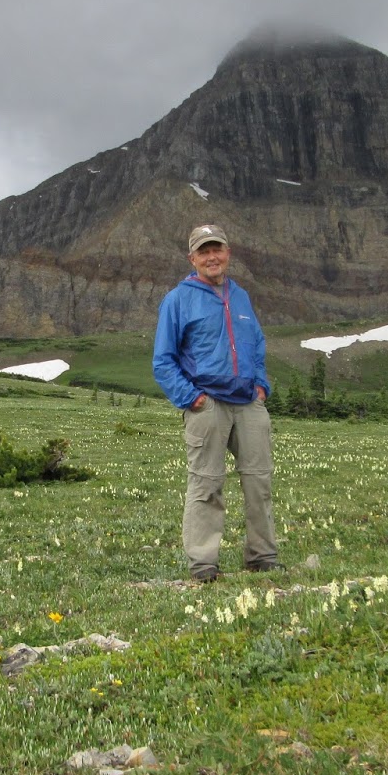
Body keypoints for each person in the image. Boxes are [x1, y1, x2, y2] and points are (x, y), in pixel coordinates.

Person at [152, 224, 282, 582]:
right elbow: (162, 360)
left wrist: (262, 385)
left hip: (247, 404)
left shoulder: (240, 296)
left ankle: (262, 555)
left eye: (217, 249)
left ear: (228, 253)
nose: (212, 257)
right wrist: (191, 398)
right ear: (192, 258)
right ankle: (204, 562)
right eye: (204, 251)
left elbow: (256, 342)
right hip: (206, 405)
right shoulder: (178, 299)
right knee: (206, 483)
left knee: (259, 481)